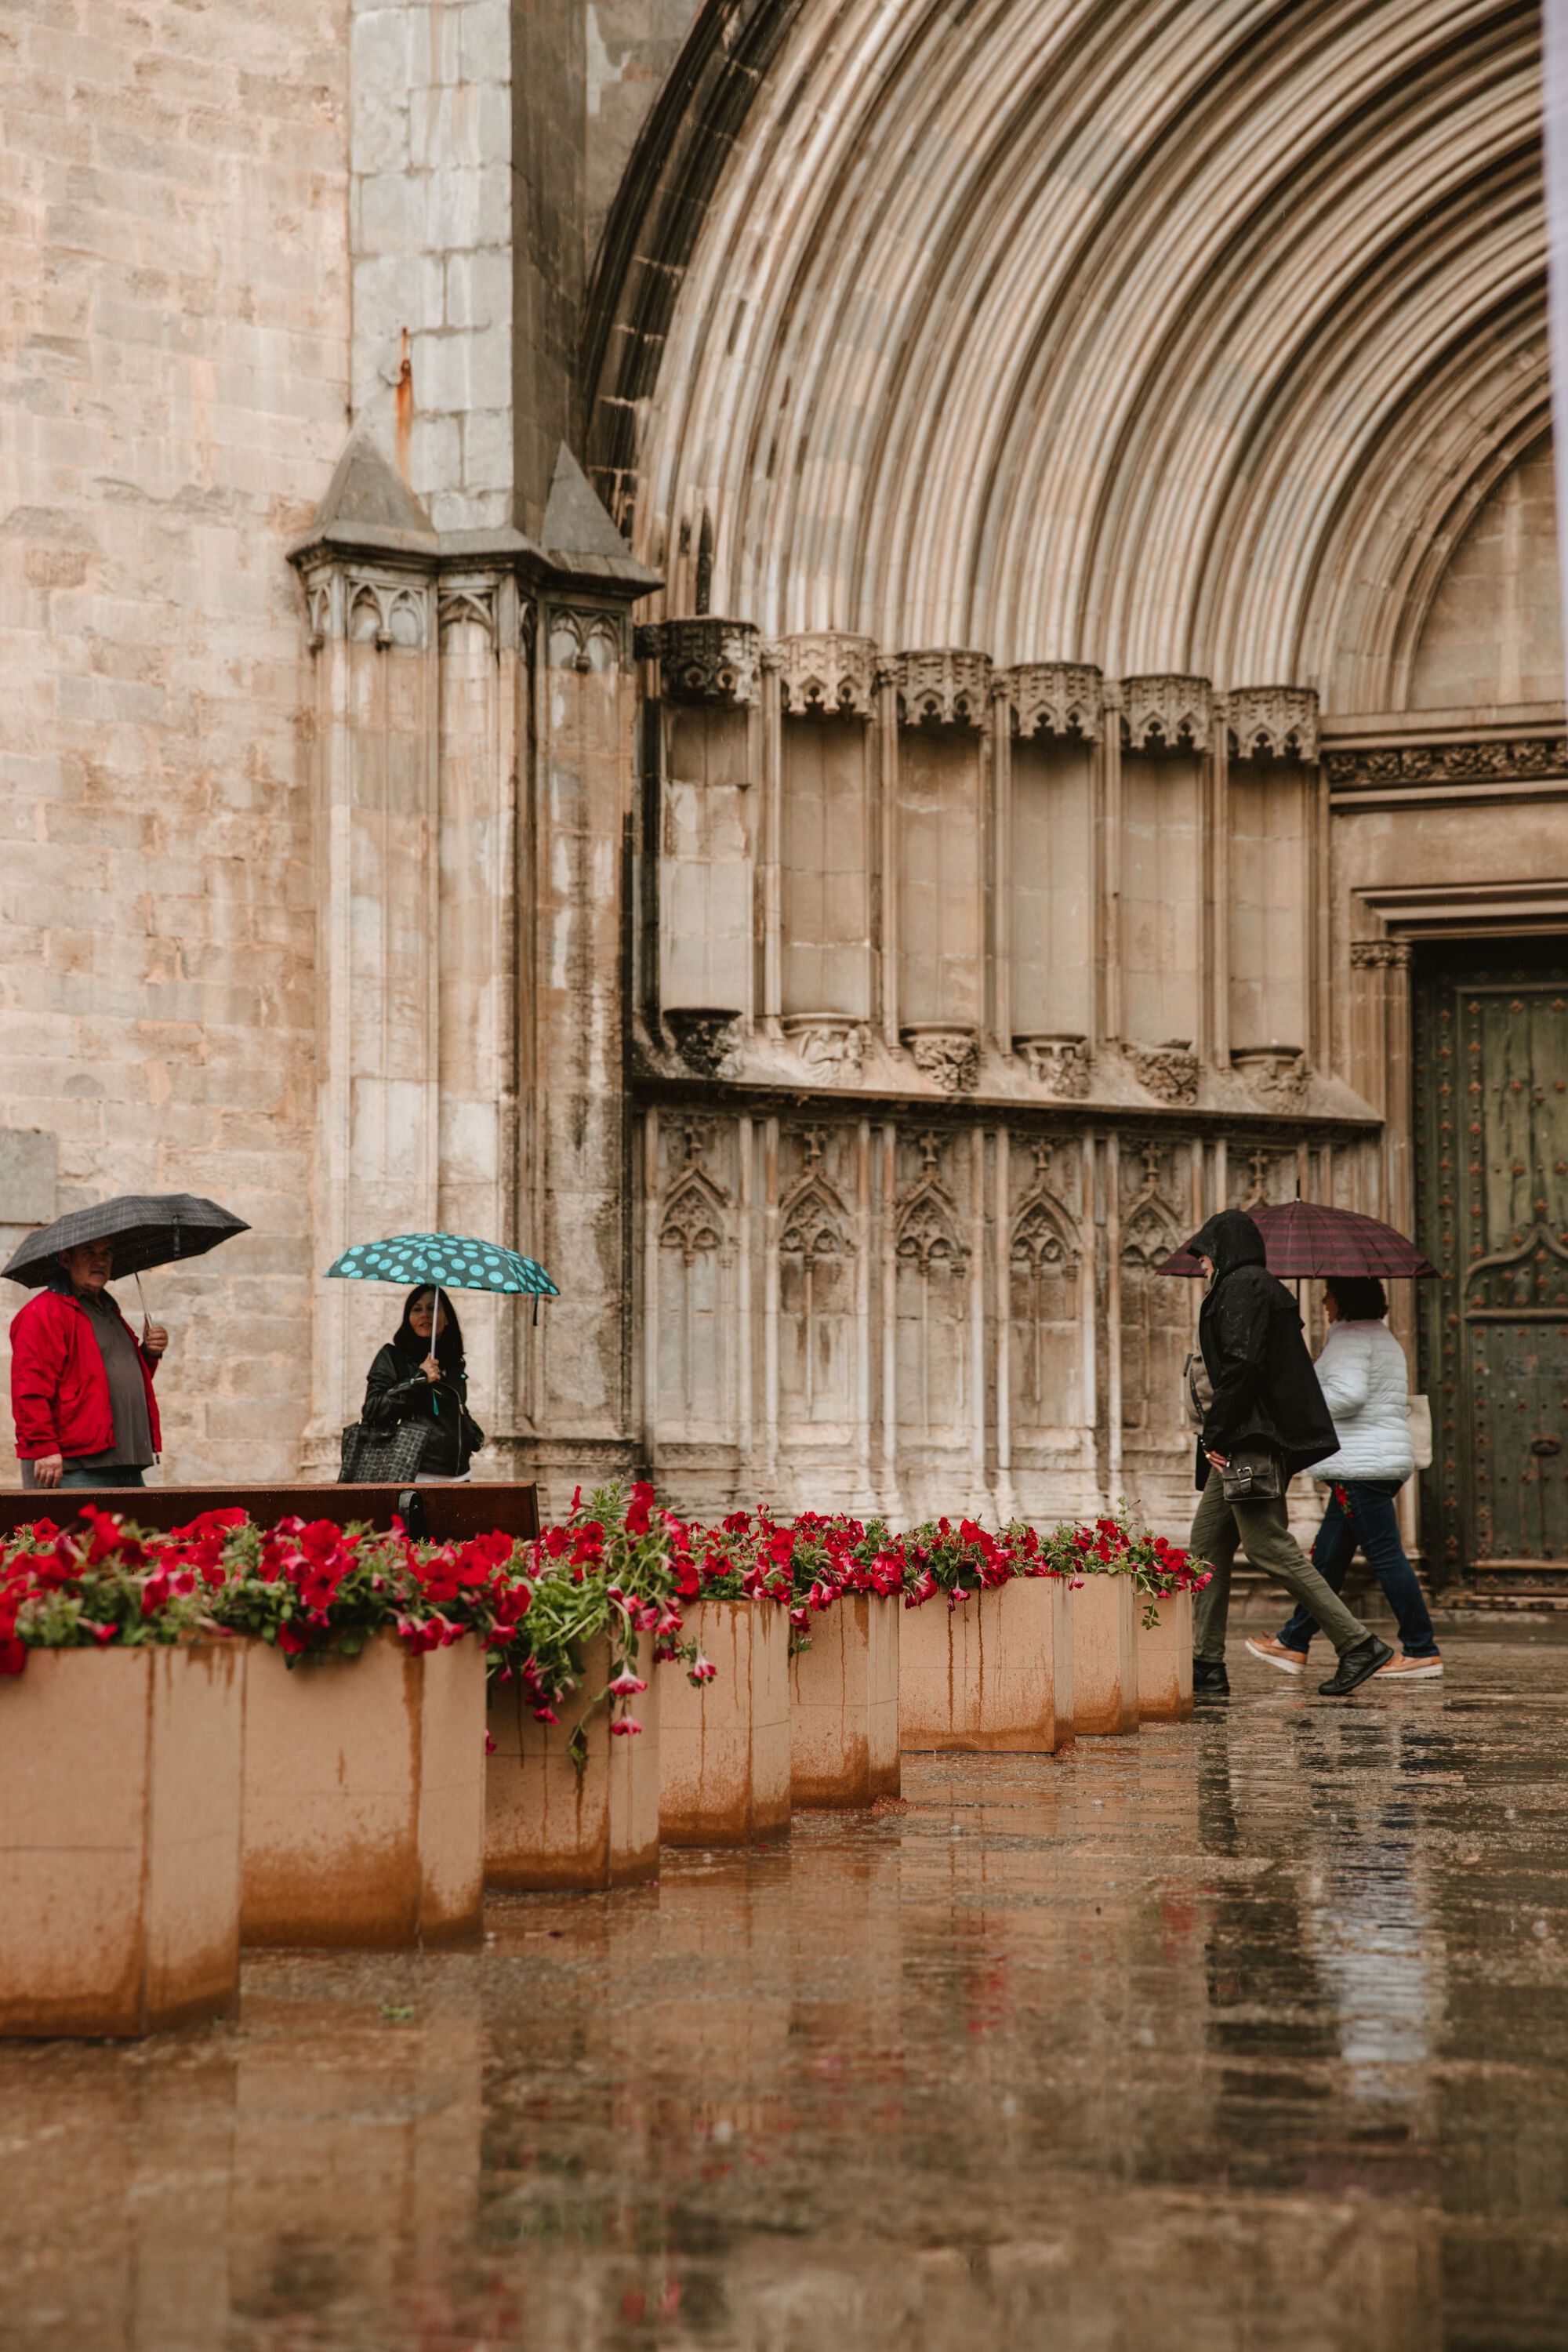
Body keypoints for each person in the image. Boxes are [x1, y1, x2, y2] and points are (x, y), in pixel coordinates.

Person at [1188, 1209, 1392, 1699]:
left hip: (1249, 1437)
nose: (1201, 1267)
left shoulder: (1246, 1287)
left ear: (1222, 1252)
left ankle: (1358, 1644)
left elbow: (1242, 1366)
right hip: (1245, 1435)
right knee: (1207, 1546)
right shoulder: (1252, 1287)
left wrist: (1216, 1433)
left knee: (1267, 1545)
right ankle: (1206, 1665)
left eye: (1204, 1256)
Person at [1246, 1276, 1440, 1681]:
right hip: (1371, 1461)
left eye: (1330, 1294)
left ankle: (1422, 1648)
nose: (1323, 1300)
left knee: (1385, 1557)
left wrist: (1298, 1400)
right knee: (1328, 1560)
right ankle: (1294, 1640)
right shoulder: (1378, 1336)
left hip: (1361, 1466)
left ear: (1345, 1299)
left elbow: (1348, 1395)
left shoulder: (1351, 1337)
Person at [10, 1238, 168, 1489]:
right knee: (74, 1530)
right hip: (75, 1465)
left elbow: (116, 1376)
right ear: (65, 1259)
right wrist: (43, 1448)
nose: (100, 1260)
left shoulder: (108, 1309)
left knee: (138, 1530)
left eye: (107, 1253)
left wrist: (149, 1353)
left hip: (126, 1461)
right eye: (89, 1253)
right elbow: (29, 1388)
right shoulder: (44, 1312)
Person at [361, 1287, 483, 1482]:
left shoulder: (454, 1364)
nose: (425, 1315)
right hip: (413, 1472)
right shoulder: (393, 1357)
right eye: (417, 1309)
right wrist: (418, 1379)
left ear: (447, 1317)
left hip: (460, 1475)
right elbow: (373, 1409)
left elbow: (454, 1409)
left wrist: (472, 1434)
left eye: (432, 1308)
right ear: (408, 1317)